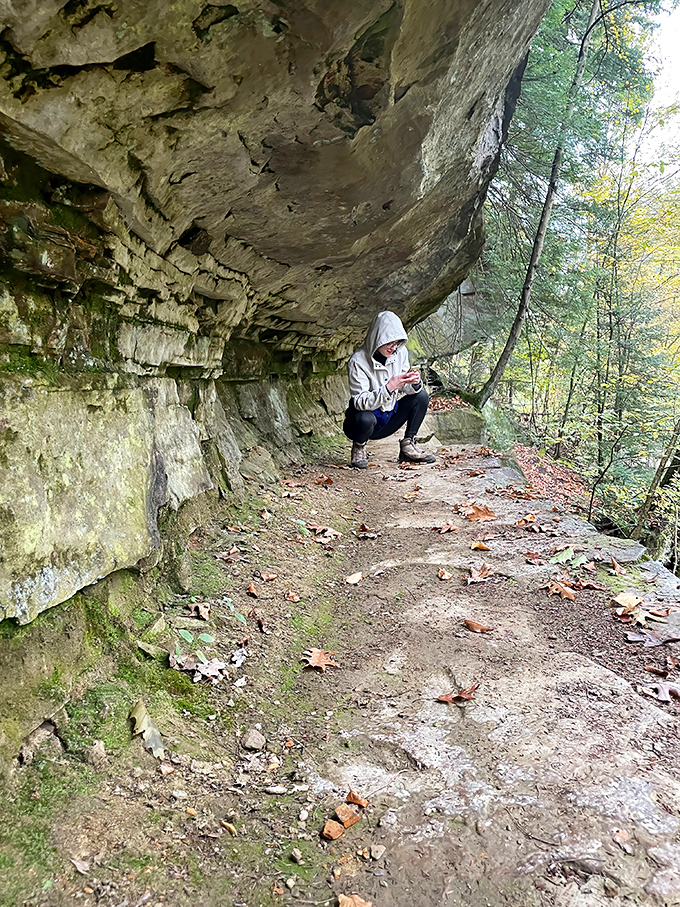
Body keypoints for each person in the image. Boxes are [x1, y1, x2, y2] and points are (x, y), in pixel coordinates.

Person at [343, 311, 436, 468]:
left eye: (397, 343)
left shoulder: (400, 353)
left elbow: (407, 387)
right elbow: (359, 402)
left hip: (389, 417)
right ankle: (359, 447)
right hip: (363, 424)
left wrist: (413, 382)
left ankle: (408, 446)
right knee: (364, 418)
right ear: (377, 339)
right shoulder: (358, 361)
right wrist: (389, 388)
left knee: (421, 396)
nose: (393, 348)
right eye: (389, 343)